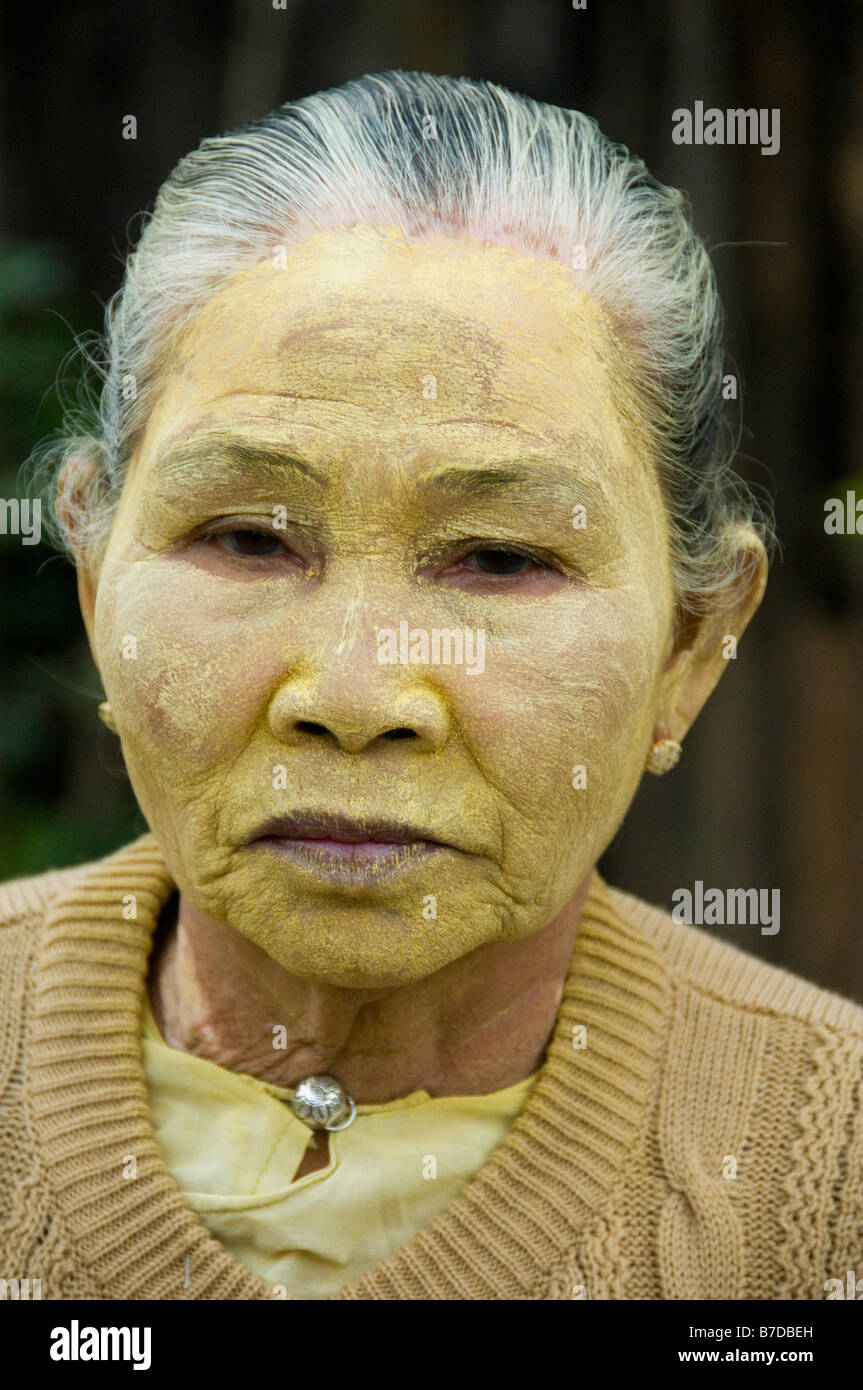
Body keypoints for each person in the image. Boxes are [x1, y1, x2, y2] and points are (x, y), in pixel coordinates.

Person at [2, 71, 861, 1301]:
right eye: (248, 538)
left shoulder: (827, 1197)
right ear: (95, 588)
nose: (354, 695)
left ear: (689, 651)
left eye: (501, 558)